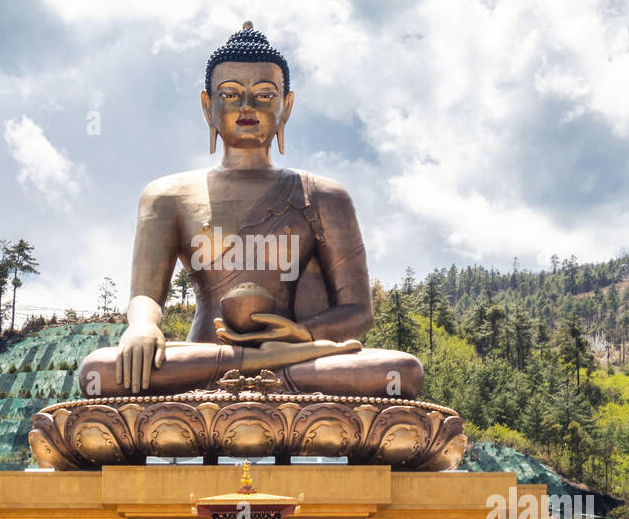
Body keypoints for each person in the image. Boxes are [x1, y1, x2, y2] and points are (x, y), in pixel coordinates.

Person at [76, 23, 423, 399]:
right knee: (99, 370)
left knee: (400, 371)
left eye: (263, 95)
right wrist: (143, 327)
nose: (246, 107)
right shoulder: (167, 195)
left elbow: (357, 310)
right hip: (209, 357)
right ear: (208, 106)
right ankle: (254, 372)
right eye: (230, 94)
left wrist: (304, 335)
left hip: (295, 358)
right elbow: (144, 295)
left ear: (285, 106)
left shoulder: (324, 196)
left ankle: (252, 378)